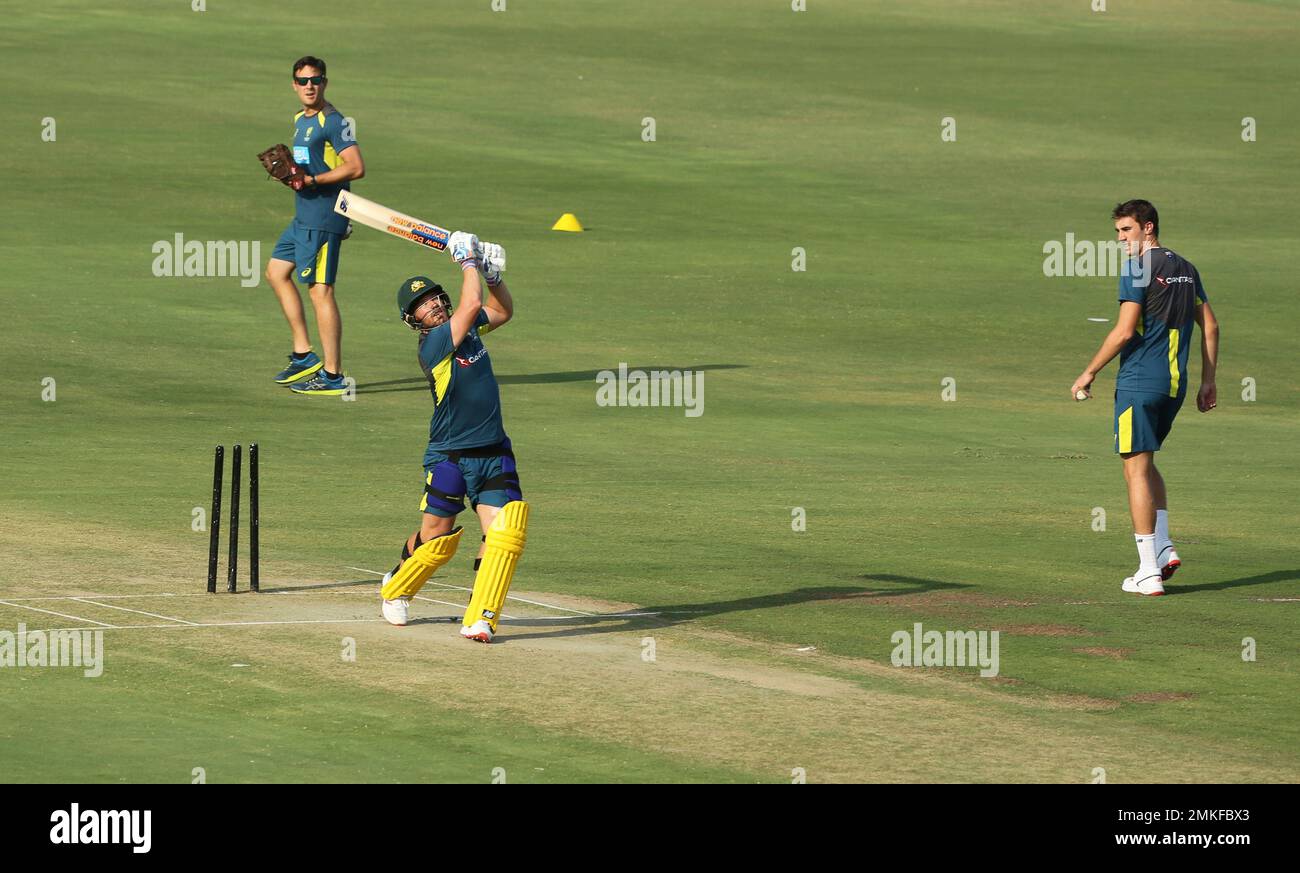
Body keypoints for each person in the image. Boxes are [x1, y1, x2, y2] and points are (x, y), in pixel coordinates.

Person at [378, 234, 528, 642]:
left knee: (505, 533)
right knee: (436, 538)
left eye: (434, 297)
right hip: (450, 455)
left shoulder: (467, 329)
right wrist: (466, 262)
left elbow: (500, 311)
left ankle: (481, 616)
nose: (433, 305)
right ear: (413, 320)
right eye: (422, 305)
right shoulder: (436, 344)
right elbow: (473, 304)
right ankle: (396, 587)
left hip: (493, 451)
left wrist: (493, 277)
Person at [1071, 200, 1220, 596]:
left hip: (1139, 383)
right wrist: (1209, 381)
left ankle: (1148, 571)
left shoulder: (1138, 268)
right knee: (1148, 463)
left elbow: (1123, 332)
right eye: (1118, 232)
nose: (1121, 239)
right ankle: (1165, 546)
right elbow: (1211, 326)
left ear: (1148, 227)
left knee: (1134, 470)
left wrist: (1089, 372)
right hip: (1174, 385)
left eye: (1126, 230)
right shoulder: (1186, 269)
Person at [265, 55, 365, 395]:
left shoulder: (333, 121)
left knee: (321, 291)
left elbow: (355, 167)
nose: (310, 86)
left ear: (325, 83)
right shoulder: (300, 119)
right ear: (294, 84)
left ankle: (334, 375)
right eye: (303, 81)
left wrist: (313, 179)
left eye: (316, 80)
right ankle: (304, 355)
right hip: (302, 217)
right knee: (276, 272)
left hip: (323, 218)